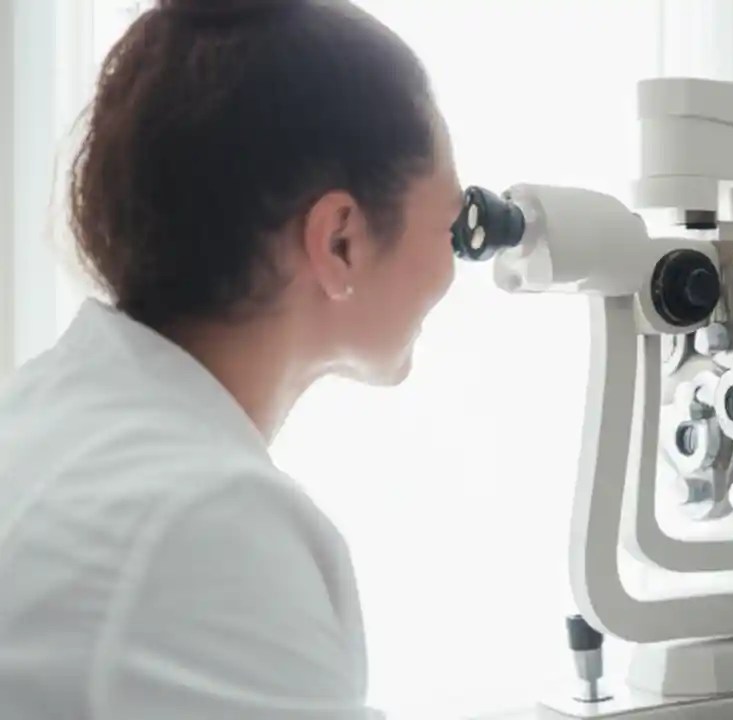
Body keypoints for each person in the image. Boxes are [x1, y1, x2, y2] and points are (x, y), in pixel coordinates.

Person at [0, 1, 461, 717]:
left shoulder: (43, 417)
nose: (455, 265)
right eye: (454, 225)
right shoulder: (206, 525)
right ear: (341, 239)